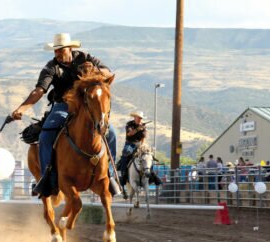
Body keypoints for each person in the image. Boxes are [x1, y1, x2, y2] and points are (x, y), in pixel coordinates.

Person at [11, 33, 117, 197]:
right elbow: (39, 90)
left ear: (70, 49)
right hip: (63, 105)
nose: (58, 54)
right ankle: (47, 178)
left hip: (86, 104)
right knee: (46, 134)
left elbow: (109, 73)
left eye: (61, 50)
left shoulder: (85, 58)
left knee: (112, 133)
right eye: (56, 51)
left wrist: (94, 70)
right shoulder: (51, 67)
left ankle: (109, 174)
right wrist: (22, 108)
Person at [118, 111, 161, 198]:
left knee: (148, 156)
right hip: (130, 144)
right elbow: (130, 133)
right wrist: (138, 128)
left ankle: (152, 174)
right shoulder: (129, 124)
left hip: (140, 144)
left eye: (141, 118)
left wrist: (142, 144)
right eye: (139, 117)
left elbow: (144, 137)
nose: (140, 119)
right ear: (135, 117)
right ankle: (122, 175)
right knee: (125, 155)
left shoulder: (143, 126)